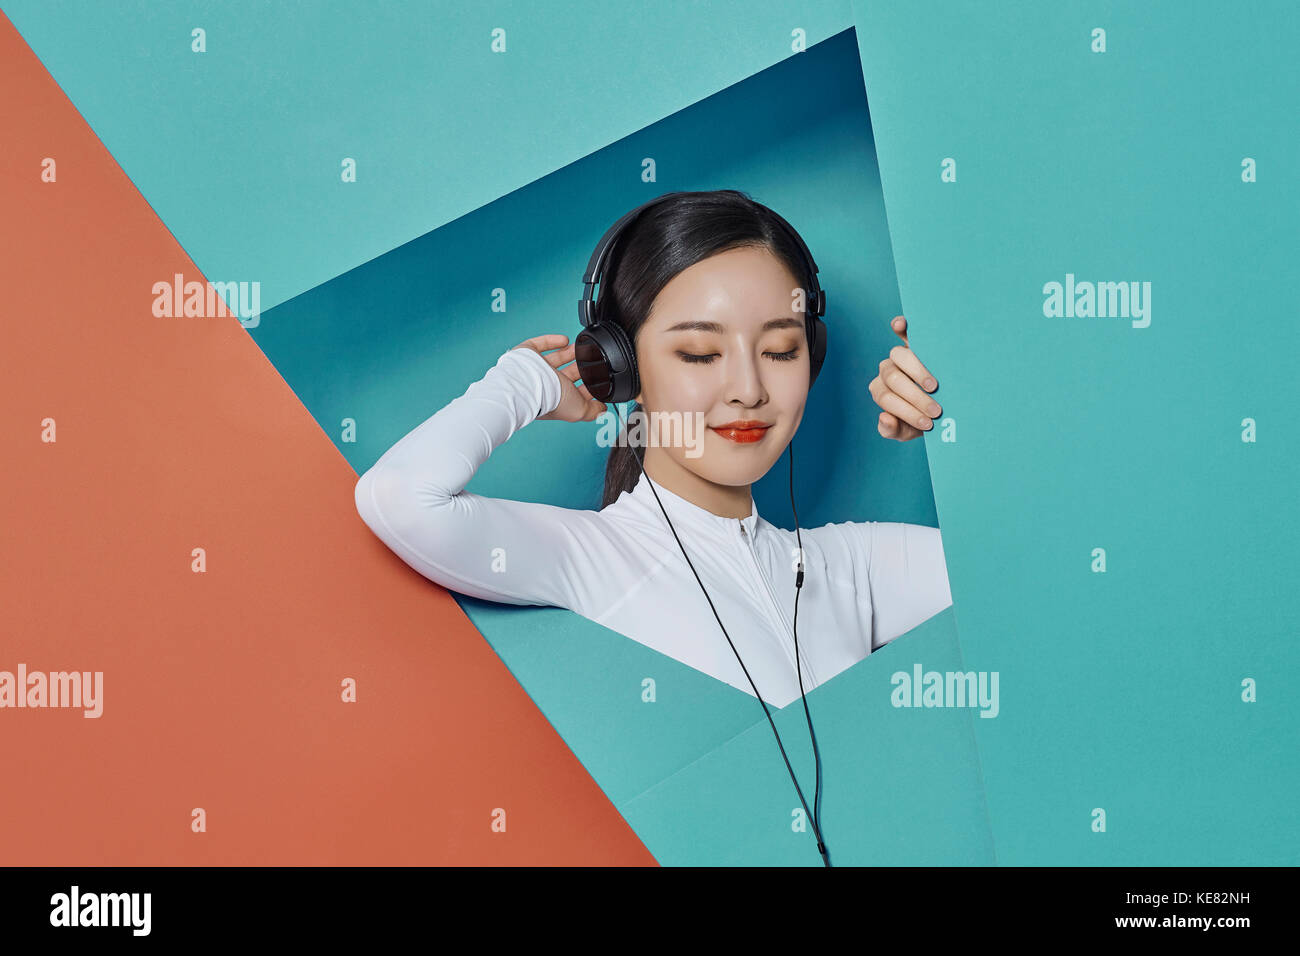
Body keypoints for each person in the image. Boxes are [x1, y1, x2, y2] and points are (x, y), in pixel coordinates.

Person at [354, 190, 952, 710]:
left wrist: (955, 410)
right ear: (620, 369)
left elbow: (1033, 569)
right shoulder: (591, 558)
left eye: (779, 351)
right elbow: (402, 497)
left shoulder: (852, 567)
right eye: (698, 354)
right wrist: (523, 384)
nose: (749, 390)